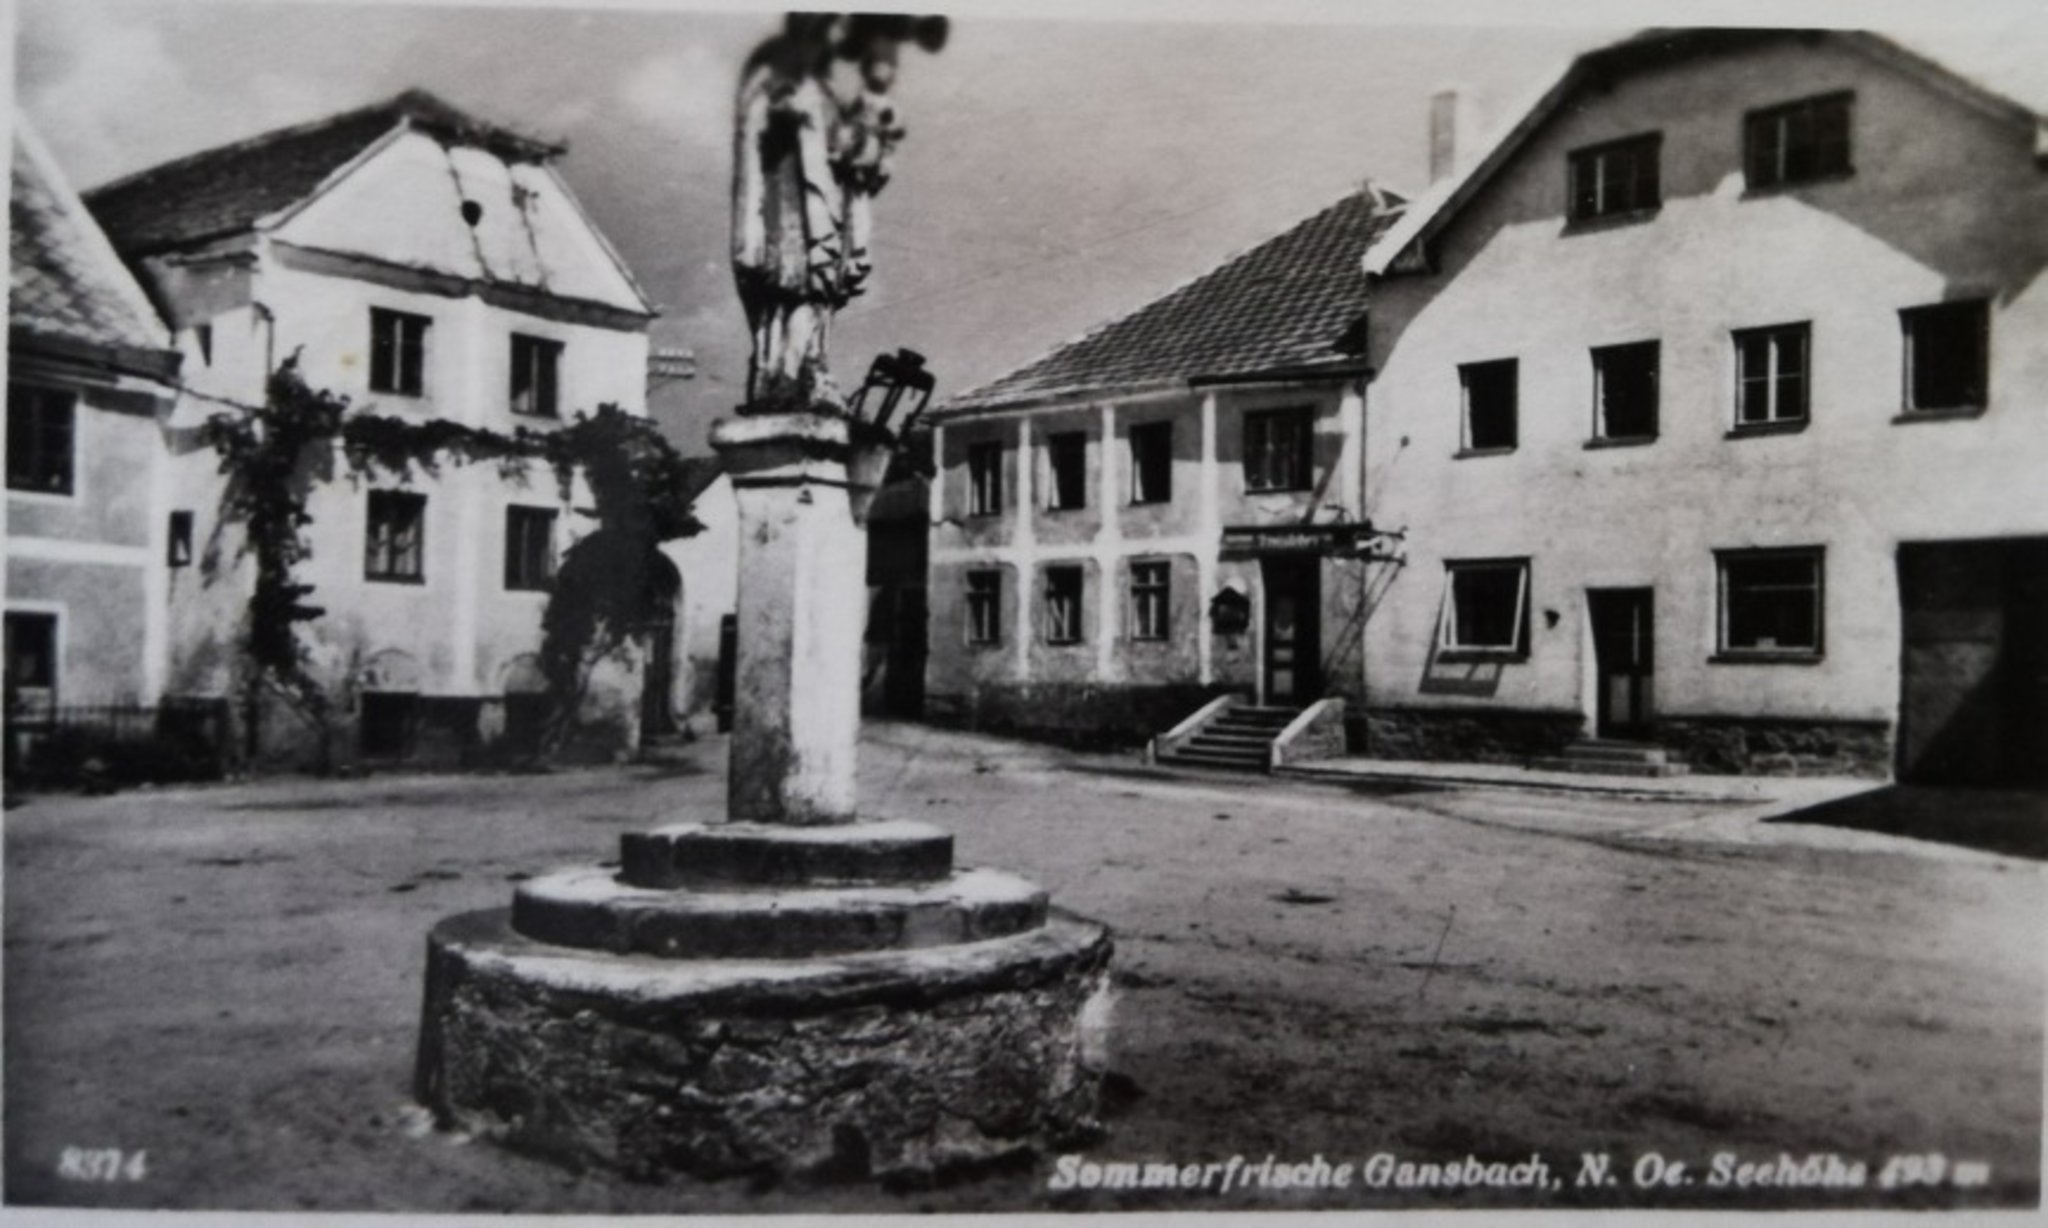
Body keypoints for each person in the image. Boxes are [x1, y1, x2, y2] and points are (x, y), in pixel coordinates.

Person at [729, 14, 946, 415]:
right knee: (799, 290)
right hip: (795, 210)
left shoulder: (824, 92)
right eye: (832, 28)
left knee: (819, 293)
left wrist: (870, 140)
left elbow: (847, 154)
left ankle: (804, 369)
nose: (838, 39)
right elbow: (772, 126)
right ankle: (786, 374)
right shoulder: (787, 78)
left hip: (823, 210)